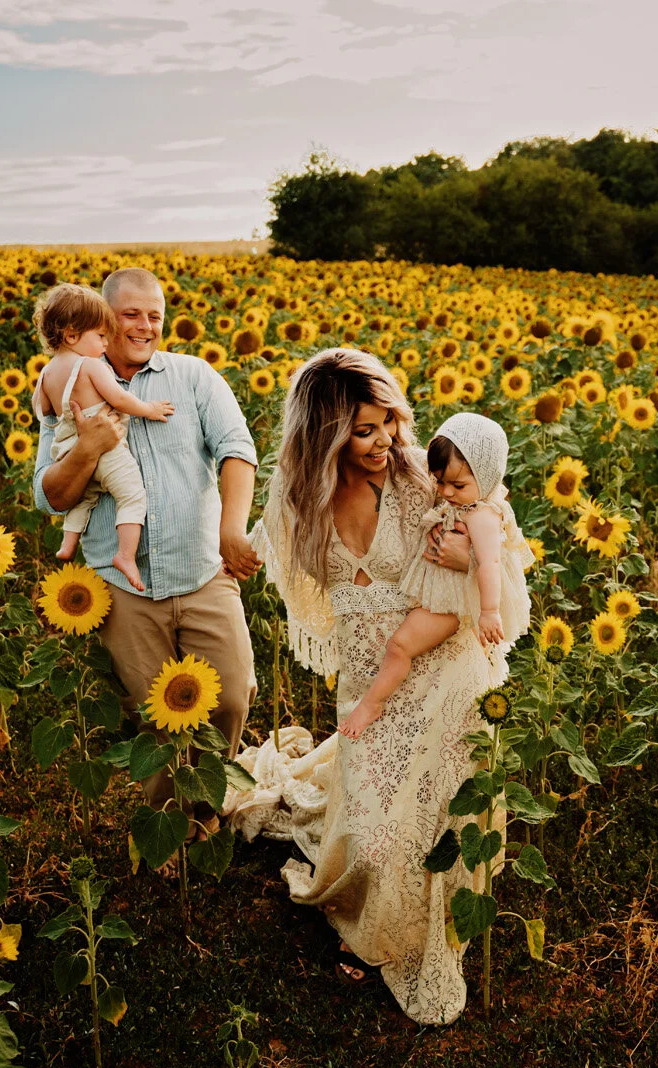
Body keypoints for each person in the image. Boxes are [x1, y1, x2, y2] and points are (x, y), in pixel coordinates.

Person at [249, 348, 494, 1025]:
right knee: (367, 841)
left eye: (388, 421)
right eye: (363, 430)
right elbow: (267, 550)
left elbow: (499, 542)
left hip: (441, 670)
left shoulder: (420, 479)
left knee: (416, 831)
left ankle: (394, 937)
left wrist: (468, 559)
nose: (385, 440)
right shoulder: (297, 499)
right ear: (324, 436)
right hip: (368, 684)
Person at [32, 267, 259, 847]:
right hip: (124, 588)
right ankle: (174, 832)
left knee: (232, 694)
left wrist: (232, 529)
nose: (145, 325)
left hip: (202, 571)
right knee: (152, 718)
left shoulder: (193, 376)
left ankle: (206, 804)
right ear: (103, 319)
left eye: (154, 314)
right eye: (131, 313)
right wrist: (88, 448)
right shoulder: (70, 379)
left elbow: (237, 448)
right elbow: (49, 495)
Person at [337, 412, 532, 739]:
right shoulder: (466, 504)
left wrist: (488, 612)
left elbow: (490, 563)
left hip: (452, 604)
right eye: (440, 482)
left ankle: (372, 703)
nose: (447, 492)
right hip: (442, 597)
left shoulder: (483, 515)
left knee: (400, 646)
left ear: (486, 478)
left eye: (458, 485)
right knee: (403, 646)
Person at [29, 283, 175, 592]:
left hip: (68, 449)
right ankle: (125, 555)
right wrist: (149, 409)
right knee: (132, 494)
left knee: (85, 498)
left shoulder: (46, 373)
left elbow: (44, 411)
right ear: (72, 336)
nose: (106, 344)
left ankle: (68, 544)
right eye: (100, 336)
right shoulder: (90, 365)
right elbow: (119, 399)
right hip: (106, 446)